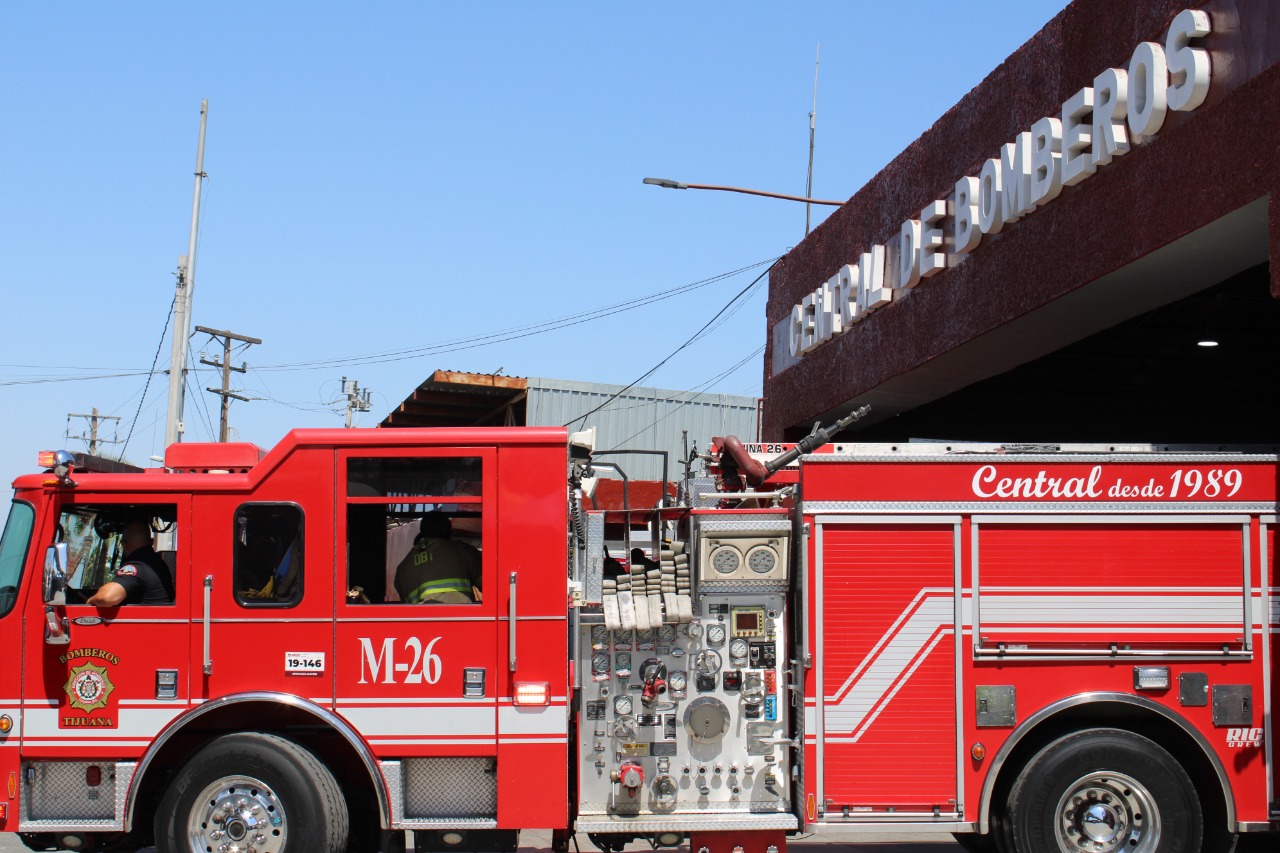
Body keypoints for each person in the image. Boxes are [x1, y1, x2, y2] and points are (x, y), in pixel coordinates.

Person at [394, 512, 481, 604]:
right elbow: (491, 586)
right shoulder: (463, 551)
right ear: (446, 530)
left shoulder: (402, 568)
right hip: (461, 616)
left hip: (422, 617)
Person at [86, 520, 175, 606]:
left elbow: (106, 598)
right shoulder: (156, 563)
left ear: (123, 543)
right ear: (151, 541)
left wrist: (90, 601)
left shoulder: (137, 566)